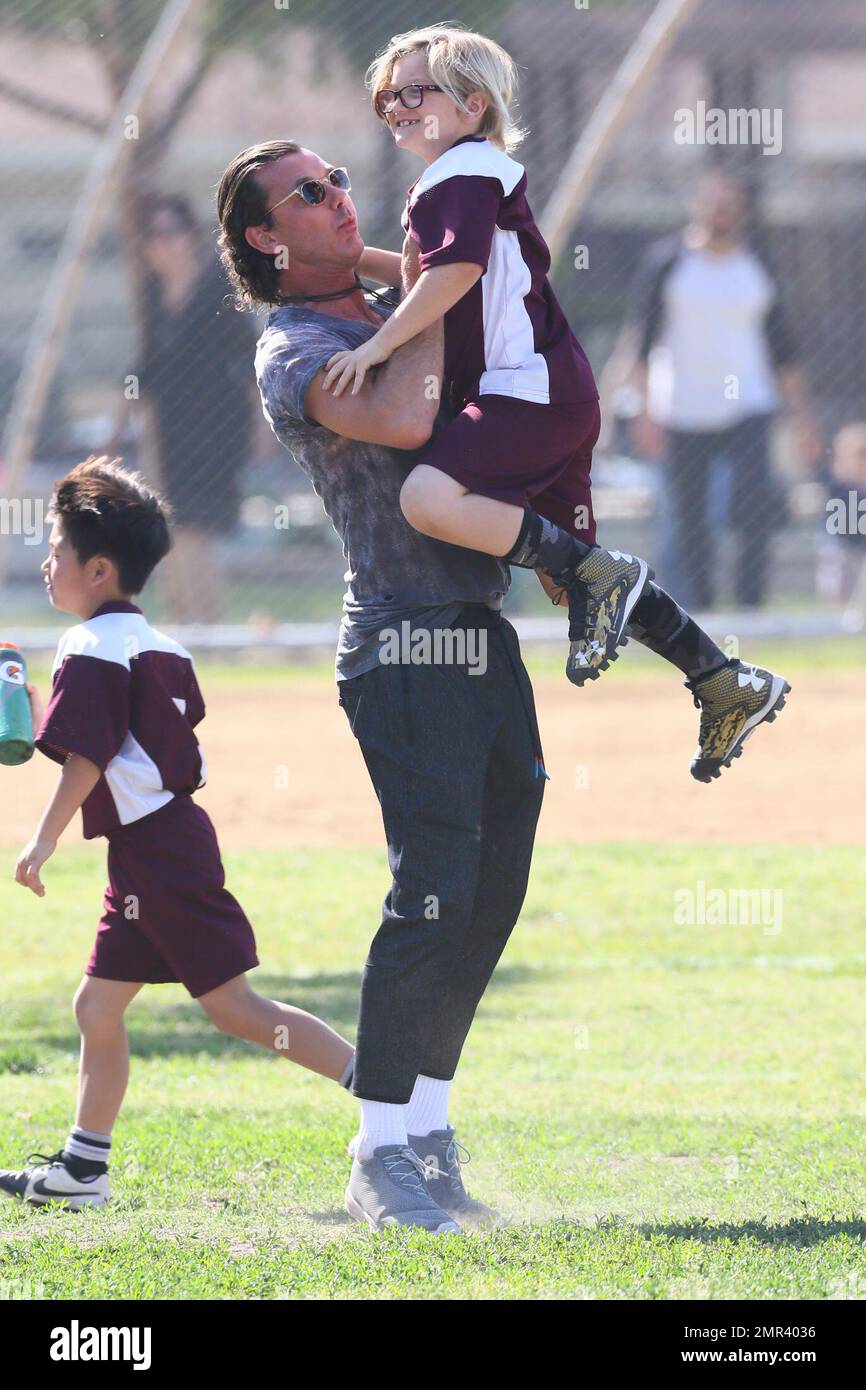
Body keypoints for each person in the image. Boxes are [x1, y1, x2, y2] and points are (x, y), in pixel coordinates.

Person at [322, 23, 790, 782]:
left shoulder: (461, 173)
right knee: (575, 573)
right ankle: (720, 679)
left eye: (419, 90)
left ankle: (633, 606)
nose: (399, 104)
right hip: (554, 396)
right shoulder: (459, 174)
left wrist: (374, 347)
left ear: (474, 105)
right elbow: (429, 273)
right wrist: (341, 265)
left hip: (527, 397)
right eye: (388, 94)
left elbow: (455, 272)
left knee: (427, 497)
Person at [1, 457, 354, 1212]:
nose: (46, 563)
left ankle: (390, 1100)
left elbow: (91, 758)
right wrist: (36, 722)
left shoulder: (87, 648)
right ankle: (82, 1172)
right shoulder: (164, 644)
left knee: (238, 1012)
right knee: (96, 1009)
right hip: (161, 846)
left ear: (98, 569)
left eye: (57, 553)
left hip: (159, 854)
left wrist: (41, 839)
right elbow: (132, 741)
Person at [610, 170, 822, 610]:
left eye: (730, 203)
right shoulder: (668, 261)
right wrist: (643, 413)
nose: (721, 211)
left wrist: (804, 420)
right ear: (699, 205)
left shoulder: (756, 265)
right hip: (680, 409)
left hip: (749, 405)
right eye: (714, 202)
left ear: (740, 210)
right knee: (689, 523)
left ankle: (751, 607)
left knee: (754, 511)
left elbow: (784, 351)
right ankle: (699, 612)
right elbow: (641, 344)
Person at [136, 195, 257, 623]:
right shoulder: (152, 293)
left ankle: (208, 625)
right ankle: (184, 622)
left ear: (190, 237)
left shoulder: (216, 288)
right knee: (171, 527)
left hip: (217, 426)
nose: (161, 244)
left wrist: (263, 423)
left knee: (192, 527)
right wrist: (124, 428)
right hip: (170, 428)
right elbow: (146, 369)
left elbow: (248, 357)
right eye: (152, 235)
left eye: (170, 232)